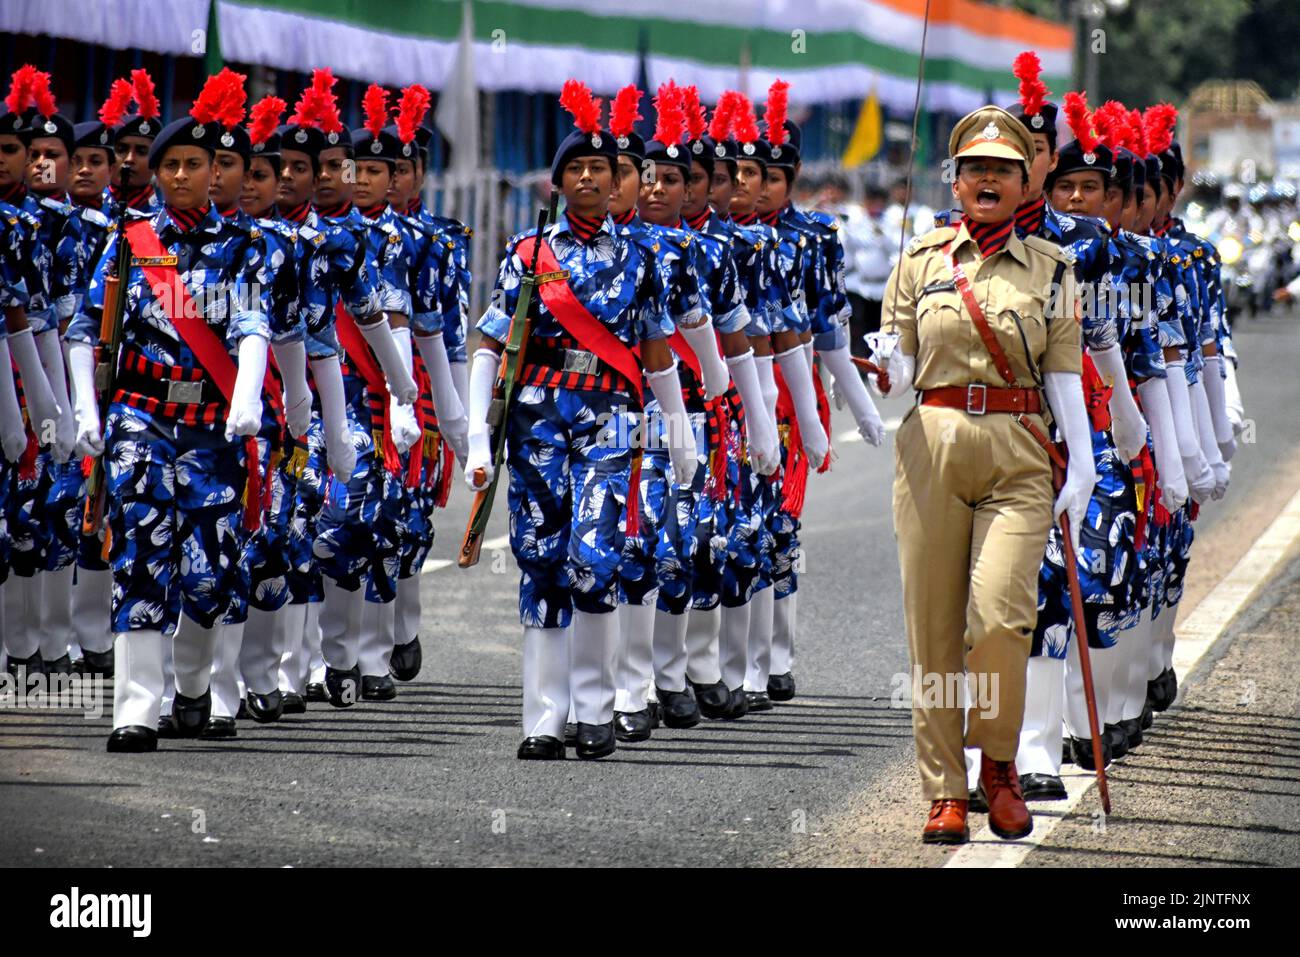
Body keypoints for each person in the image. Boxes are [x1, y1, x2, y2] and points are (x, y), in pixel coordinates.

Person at [868, 105, 1094, 844]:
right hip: (931, 447)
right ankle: (945, 789)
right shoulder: (918, 260)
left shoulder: (1056, 270)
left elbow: (1063, 375)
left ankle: (999, 763)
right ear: (956, 181)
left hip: (1019, 449)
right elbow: (899, 372)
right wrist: (885, 365)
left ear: (1028, 180)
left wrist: (1085, 462)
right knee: (933, 631)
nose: (988, 179)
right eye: (976, 170)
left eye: (1003, 168)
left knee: (1000, 618)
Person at [464, 79, 694, 760]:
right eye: (576, 168)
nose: (590, 177)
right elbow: (491, 341)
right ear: (558, 181)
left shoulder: (641, 258)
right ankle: (544, 718)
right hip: (538, 421)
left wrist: (679, 436)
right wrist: (477, 433)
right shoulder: (529, 255)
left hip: (612, 425)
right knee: (540, 562)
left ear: (617, 176)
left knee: (595, 560)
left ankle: (595, 710)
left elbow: (657, 357)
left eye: (601, 167)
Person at [66, 93, 276, 753]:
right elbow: (83, 331)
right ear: (155, 173)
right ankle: (135, 708)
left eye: (195, 163)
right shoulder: (129, 242)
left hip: (212, 427)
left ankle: (193, 687)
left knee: (209, 571)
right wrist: (83, 407)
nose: (183, 175)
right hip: (140, 420)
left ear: (214, 168)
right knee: (141, 558)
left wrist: (248, 398)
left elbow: (251, 326)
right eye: (171, 165)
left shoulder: (242, 245)